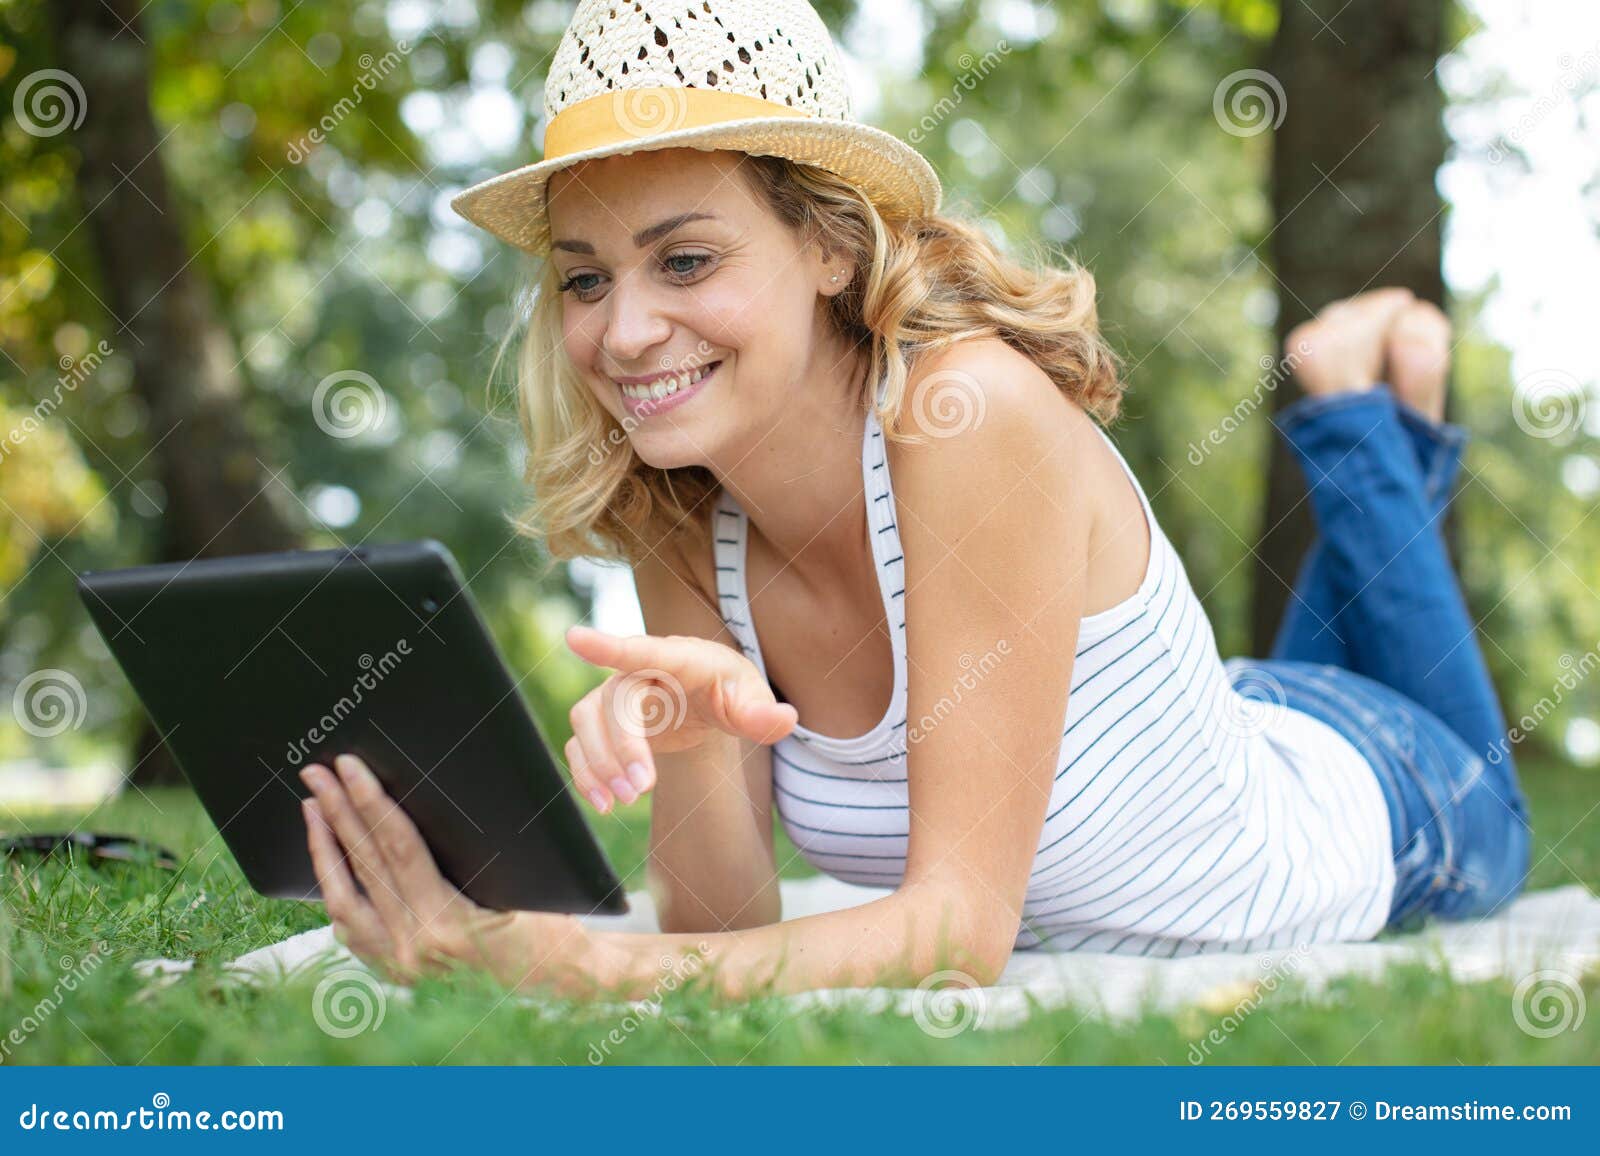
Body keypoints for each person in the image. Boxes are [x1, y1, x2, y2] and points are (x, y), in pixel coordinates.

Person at [295, 0, 1529, 999]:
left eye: (685, 260)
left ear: (831, 245)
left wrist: (573, 965)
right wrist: (700, 739)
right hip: (1226, 732)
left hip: (1393, 793)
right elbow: (724, 924)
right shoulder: (679, 501)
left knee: (1485, 772)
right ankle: (1378, 412)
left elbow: (955, 934)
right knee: (1259, 702)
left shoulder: (966, 415)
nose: (622, 333)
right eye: (581, 278)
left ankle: (1364, 419)